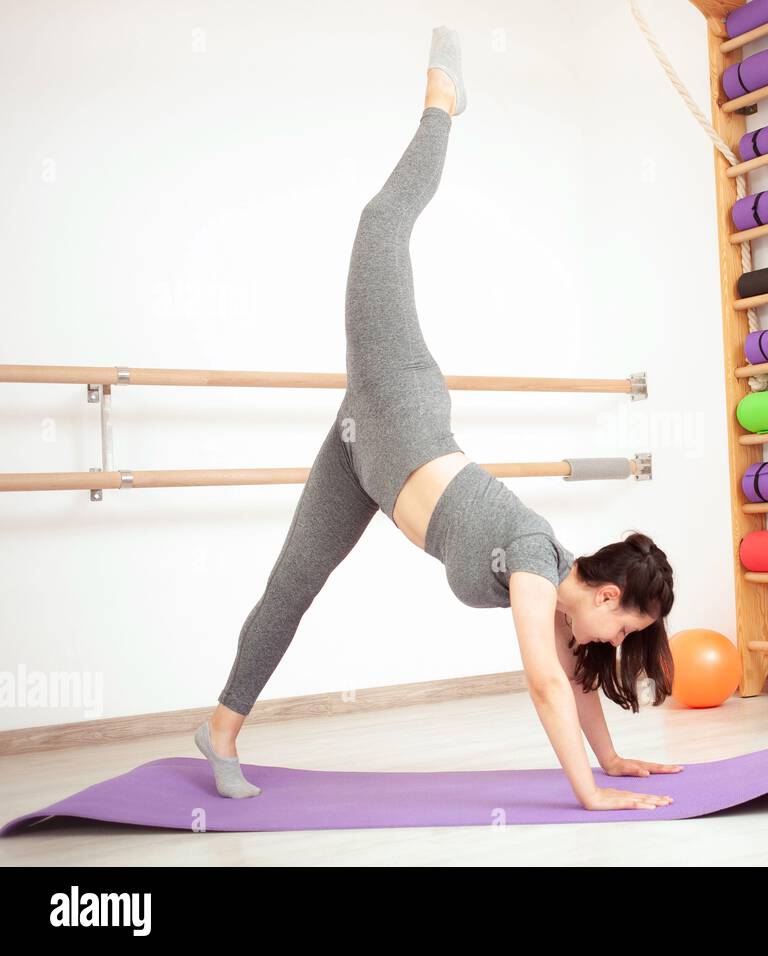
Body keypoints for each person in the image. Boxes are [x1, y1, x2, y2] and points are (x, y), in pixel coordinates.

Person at [192, 27, 679, 812]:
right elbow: (546, 685)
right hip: (397, 398)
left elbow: (573, 683)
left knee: (291, 585)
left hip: (367, 462)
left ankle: (218, 731)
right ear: (608, 598)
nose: (614, 647)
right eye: (623, 632)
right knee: (379, 223)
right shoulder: (532, 558)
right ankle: (442, 103)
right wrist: (589, 795)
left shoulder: (557, 597)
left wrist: (613, 759)